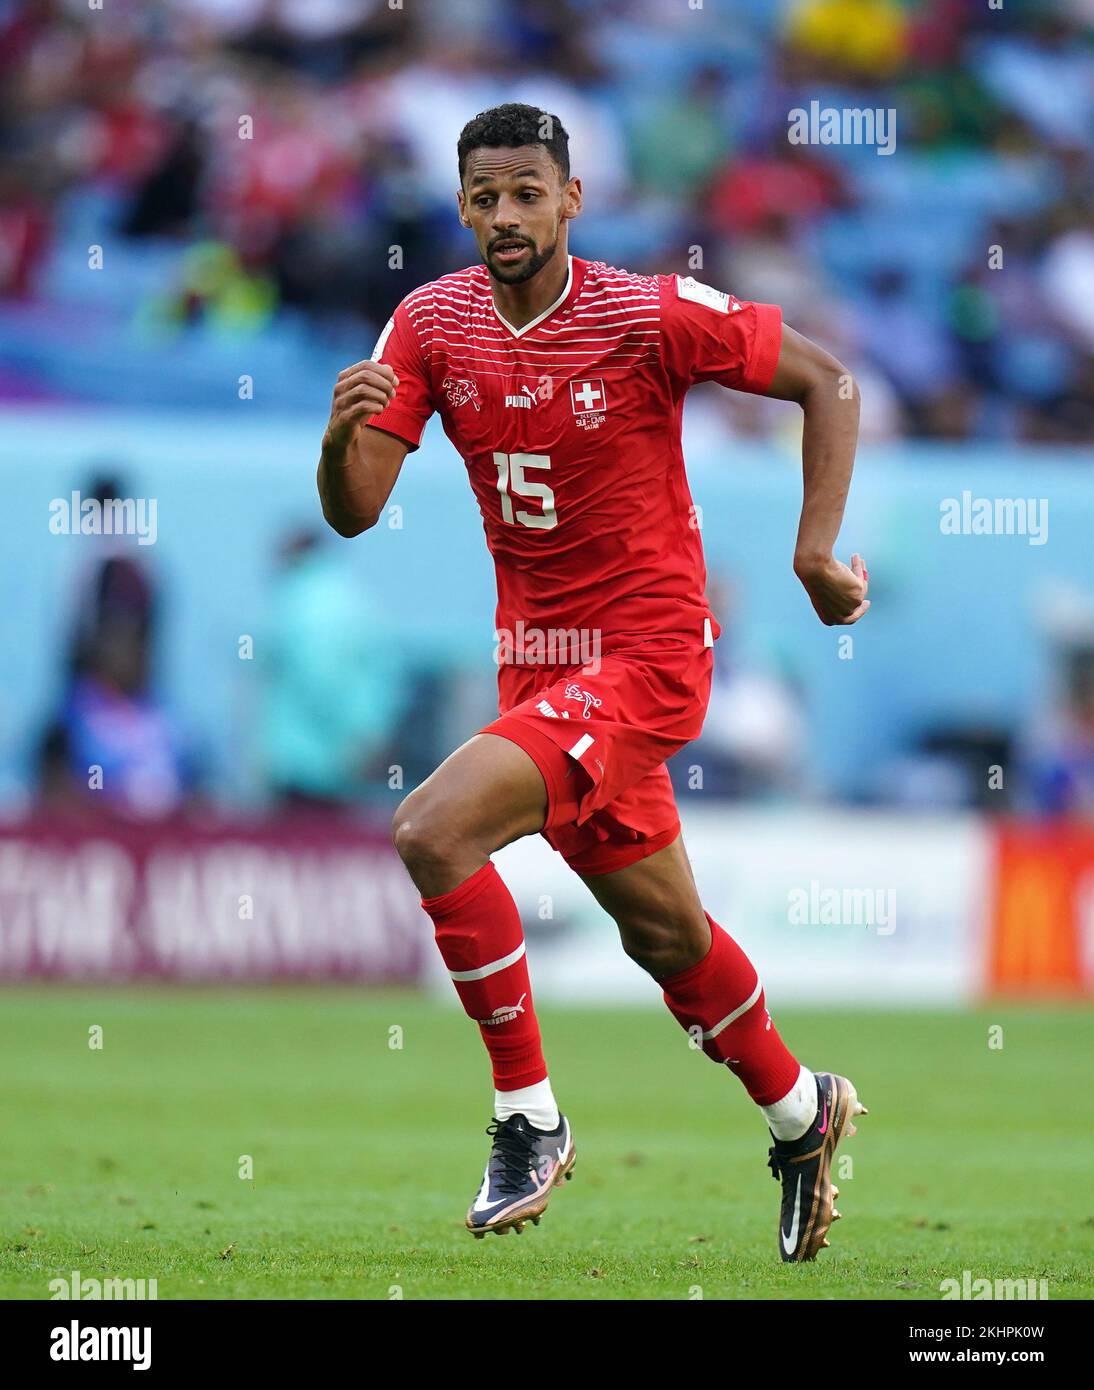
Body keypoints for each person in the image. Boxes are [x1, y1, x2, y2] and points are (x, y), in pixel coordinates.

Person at [317, 104, 869, 1261]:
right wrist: (335, 441)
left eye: (527, 192)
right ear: (460, 205)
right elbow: (356, 510)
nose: (504, 216)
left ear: (571, 199)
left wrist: (813, 551)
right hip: (539, 671)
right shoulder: (428, 322)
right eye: (483, 197)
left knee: (431, 830)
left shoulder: (645, 314)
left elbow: (827, 381)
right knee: (664, 933)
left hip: (650, 655)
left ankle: (528, 1116)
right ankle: (799, 1110)